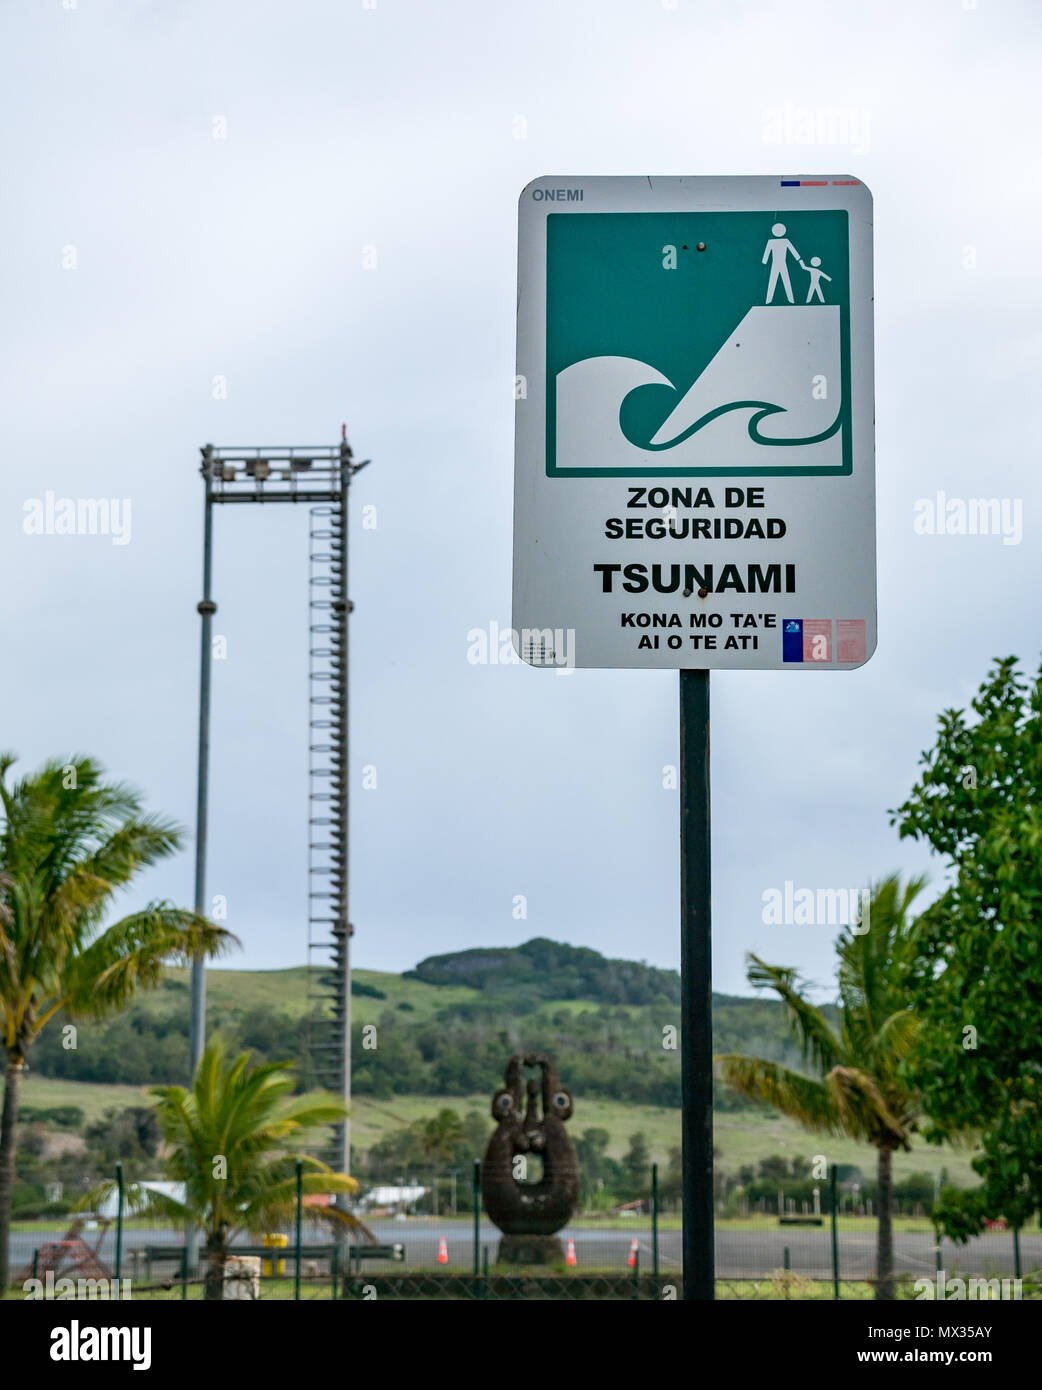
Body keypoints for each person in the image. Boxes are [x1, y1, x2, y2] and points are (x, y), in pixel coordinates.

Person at [761, 223, 801, 304]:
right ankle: (770, 300)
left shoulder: (781, 241)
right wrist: (799, 259)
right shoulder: (772, 242)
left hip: (780, 264)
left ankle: (789, 300)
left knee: (780, 281)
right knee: (776, 281)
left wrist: (764, 262)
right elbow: (794, 252)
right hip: (777, 264)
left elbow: (793, 251)